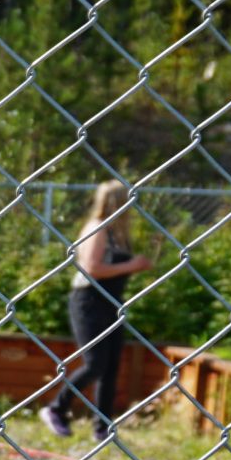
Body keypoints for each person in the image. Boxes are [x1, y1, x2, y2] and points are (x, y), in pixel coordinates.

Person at [44, 180, 157, 439]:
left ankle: (102, 427)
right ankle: (56, 409)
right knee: (95, 363)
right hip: (89, 301)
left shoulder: (119, 234)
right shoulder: (98, 229)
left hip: (111, 303)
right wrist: (132, 266)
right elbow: (92, 268)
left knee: (111, 365)